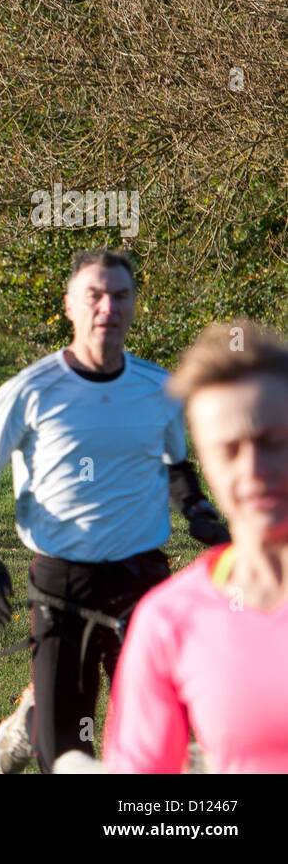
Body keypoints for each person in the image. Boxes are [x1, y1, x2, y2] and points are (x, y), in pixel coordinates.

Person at [0, 249, 229, 773]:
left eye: (120, 295)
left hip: (142, 580)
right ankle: (34, 717)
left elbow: (175, 466)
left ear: (132, 306)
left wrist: (196, 509)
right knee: (63, 754)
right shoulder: (31, 390)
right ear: (70, 307)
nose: (108, 307)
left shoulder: (158, 388)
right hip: (62, 583)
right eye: (94, 296)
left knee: (162, 746)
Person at [105, 320, 288, 773]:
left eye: (271, 442)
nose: (252, 469)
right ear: (203, 462)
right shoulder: (168, 621)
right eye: (228, 449)